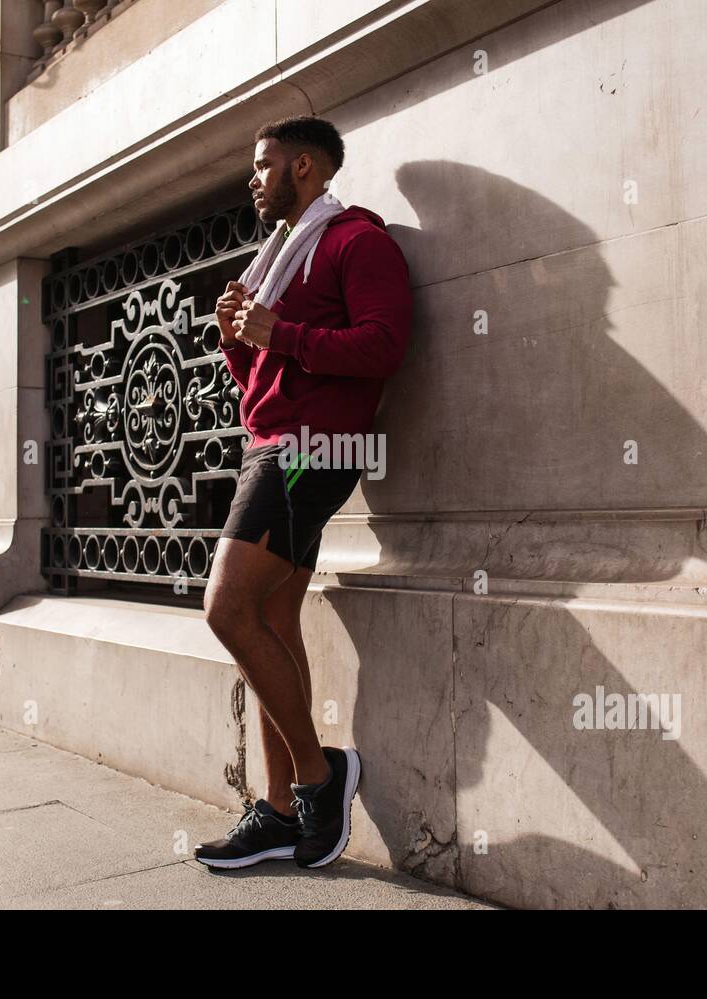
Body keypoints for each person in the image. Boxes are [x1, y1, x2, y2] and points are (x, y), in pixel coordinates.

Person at [193, 115, 413, 870]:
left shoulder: (357, 242)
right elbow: (264, 390)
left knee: (225, 608)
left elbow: (386, 344)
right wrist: (237, 338)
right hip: (277, 442)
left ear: (307, 169)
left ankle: (321, 776)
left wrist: (280, 333)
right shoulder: (279, 258)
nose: (253, 179)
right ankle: (281, 810)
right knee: (271, 620)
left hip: (307, 452)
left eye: (265, 165)